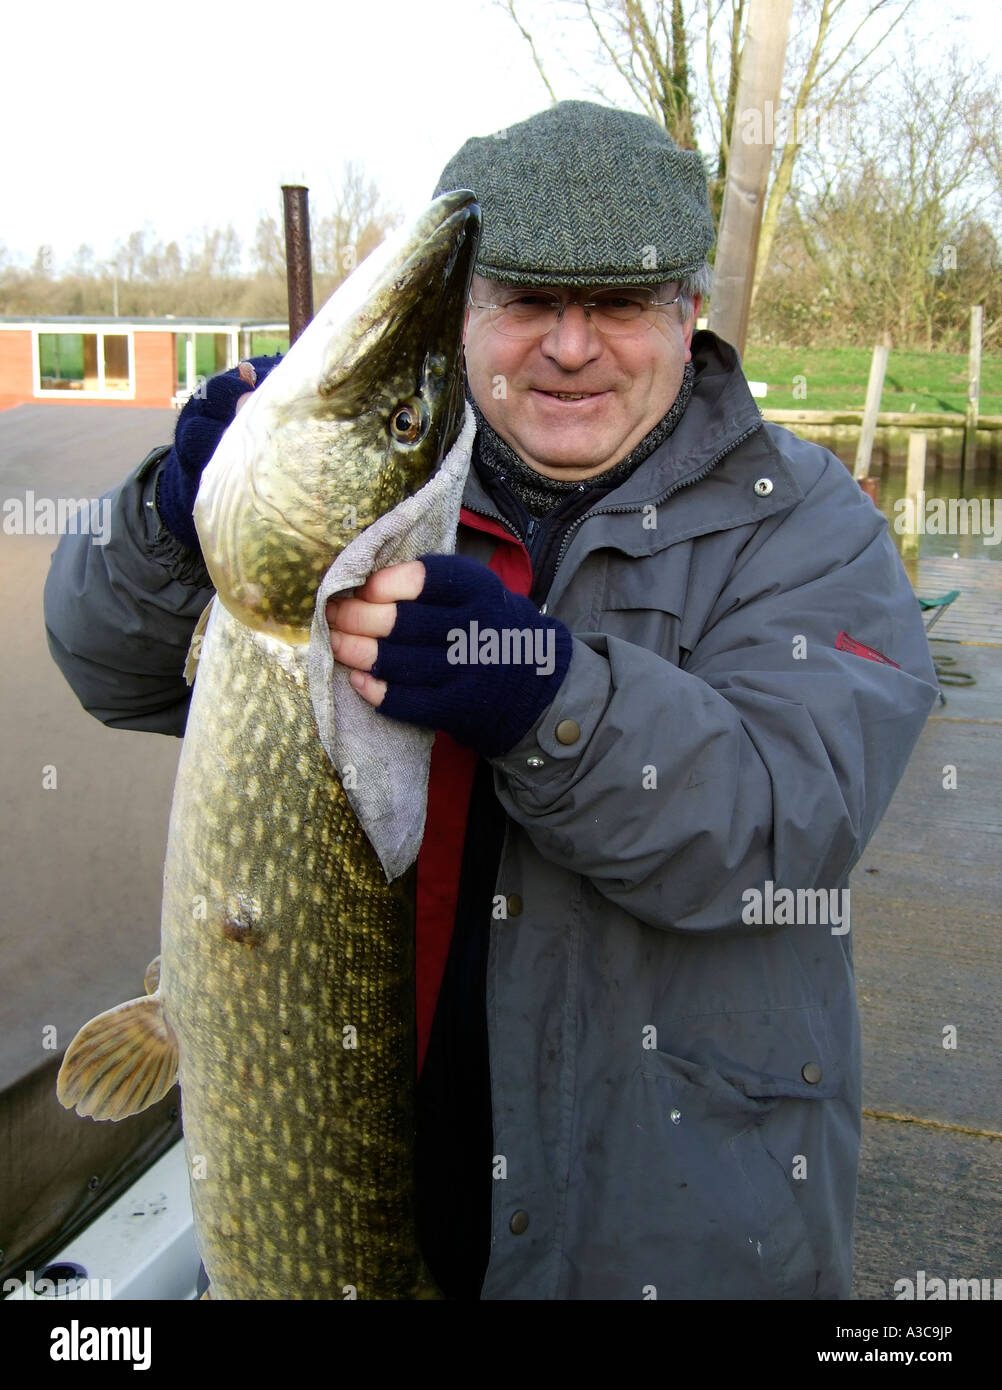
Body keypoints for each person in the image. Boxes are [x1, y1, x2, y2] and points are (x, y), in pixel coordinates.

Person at [44, 100, 939, 1301]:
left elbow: (778, 825)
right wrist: (170, 523)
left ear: (688, 313)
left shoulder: (810, 526)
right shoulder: (372, 502)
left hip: (654, 1229)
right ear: (468, 317)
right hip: (352, 1171)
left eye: (616, 305)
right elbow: (108, 664)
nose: (569, 347)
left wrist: (543, 696)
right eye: (524, 300)